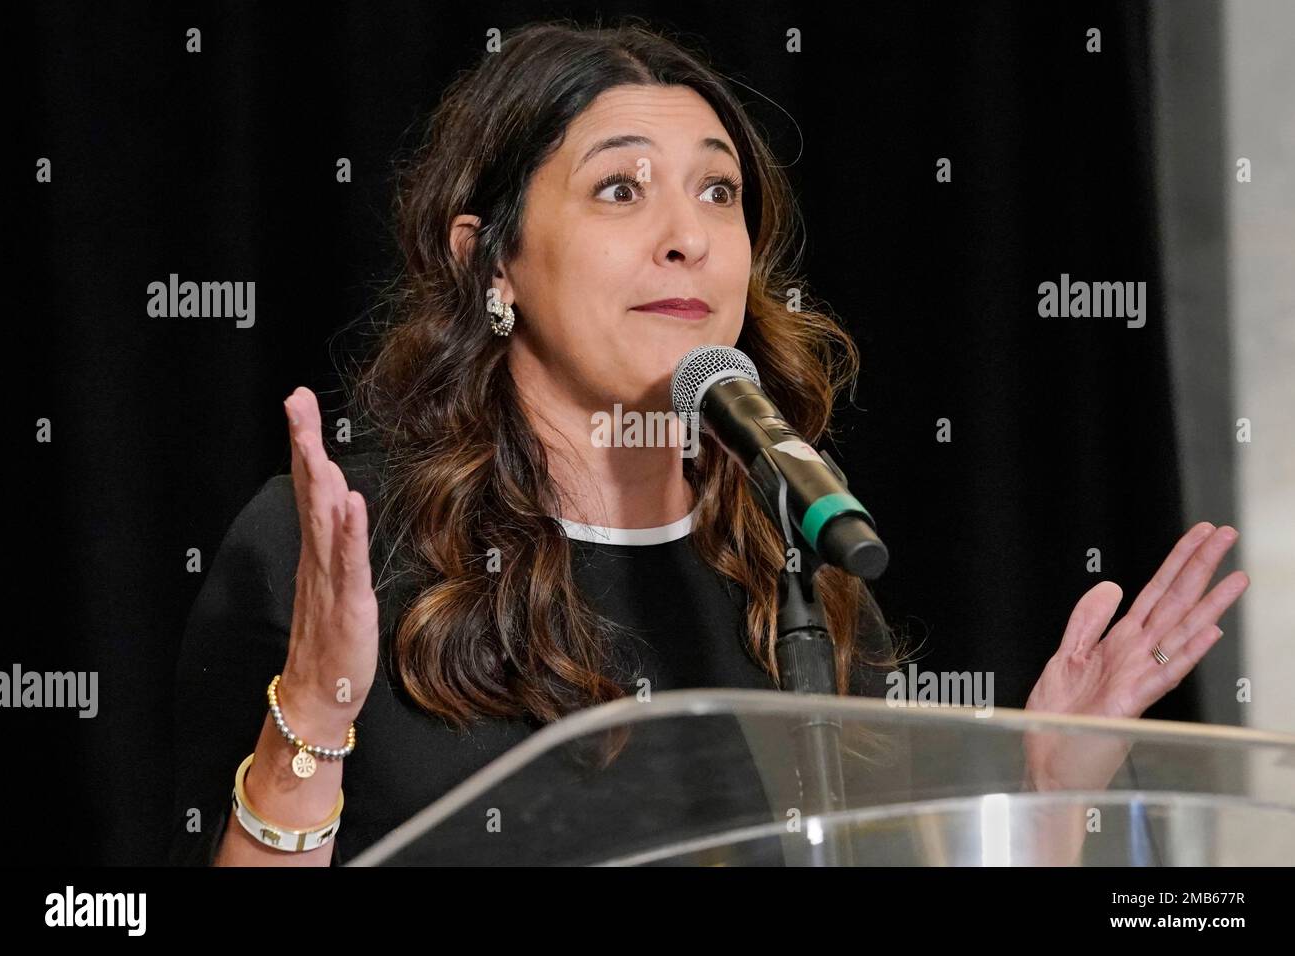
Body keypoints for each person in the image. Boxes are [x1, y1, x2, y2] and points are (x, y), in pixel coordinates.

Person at [168, 21, 1248, 867]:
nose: (684, 234)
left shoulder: (801, 578)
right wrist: (311, 712)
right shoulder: (333, 552)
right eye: (620, 188)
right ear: (488, 262)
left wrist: (1044, 799)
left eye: (717, 190)